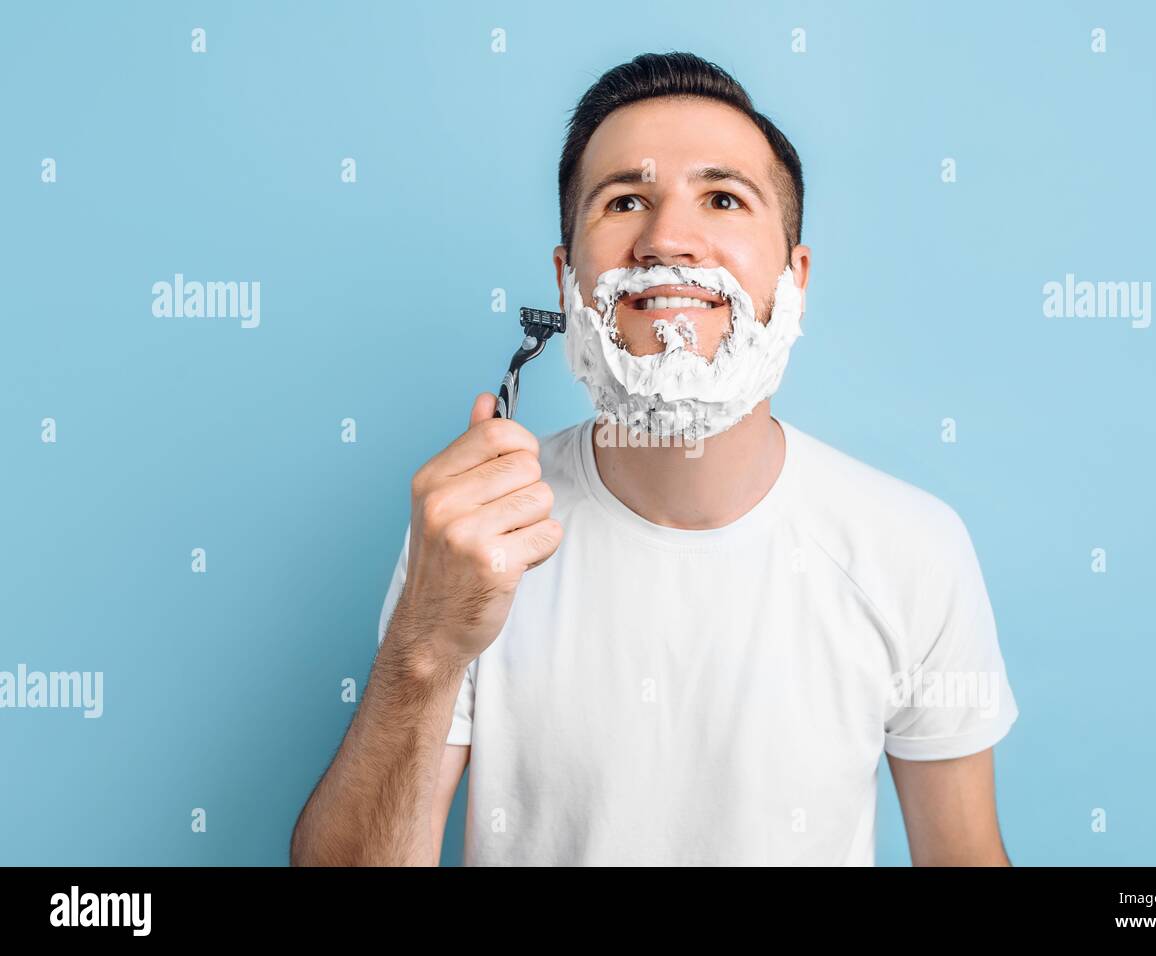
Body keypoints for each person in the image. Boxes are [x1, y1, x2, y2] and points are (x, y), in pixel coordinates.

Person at [291, 51, 1019, 866]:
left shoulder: (913, 547)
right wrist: (424, 644)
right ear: (567, 282)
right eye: (626, 200)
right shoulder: (477, 539)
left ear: (796, 277)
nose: (668, 239)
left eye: (722, 198)